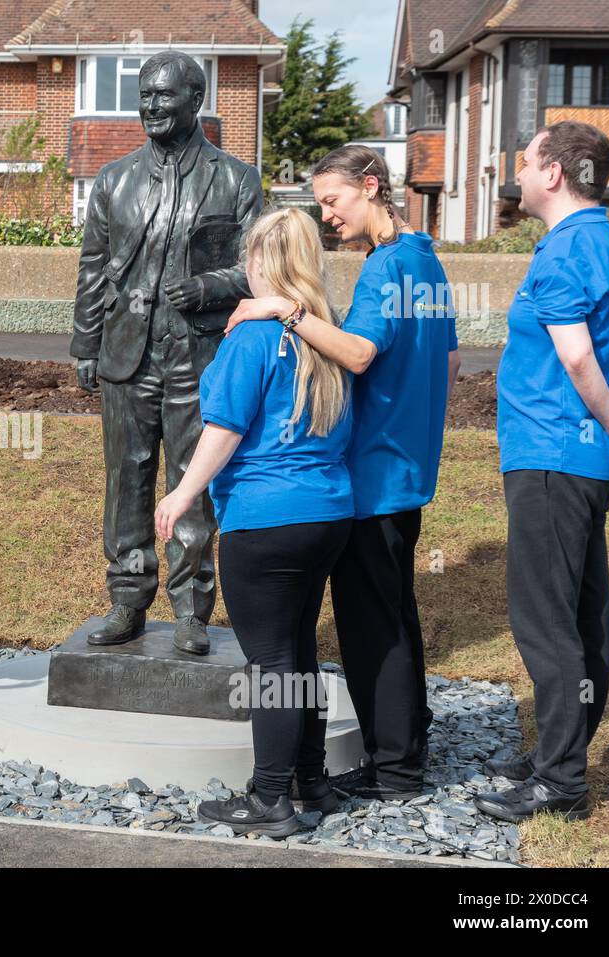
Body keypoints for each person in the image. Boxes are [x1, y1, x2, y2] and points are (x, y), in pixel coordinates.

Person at [226, 146, 460, 802]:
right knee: (397, 618)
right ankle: (406, 752)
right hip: (408, 473)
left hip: (373, 478)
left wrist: (288, 312)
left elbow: (357, 353)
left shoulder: (388, 269)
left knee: (371, 630)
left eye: (333, 200)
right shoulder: (426, 261)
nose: (326, 215)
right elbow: (450, 359)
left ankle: (395, 771)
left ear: (371, 186)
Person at [155, 207, 354, 836]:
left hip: (264, 520)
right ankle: (310, 779)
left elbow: (225, 428)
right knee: (298, 655)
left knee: (270, 666)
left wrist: (182, 493)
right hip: (327, 515)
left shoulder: (252, 338)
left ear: (260, 263)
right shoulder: (326, 336)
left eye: (247, 259)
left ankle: (270, 799)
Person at [71, 51, 263, 655]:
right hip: (128, 355)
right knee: (126, 479)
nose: (150, 106)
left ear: (195, 99)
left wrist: (209, 287)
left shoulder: (235, 179)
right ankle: (127, 598)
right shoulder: (113, 179)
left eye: (164, 96)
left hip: (200, 358)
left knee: (192, 482)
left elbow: (262, 269)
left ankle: (191, 609)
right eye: (144, 95)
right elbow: (94, 269)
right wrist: (84, 344)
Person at [474, 121, 609, 823]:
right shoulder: (606, 242)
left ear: (555, 173)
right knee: (580, 612)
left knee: (545, 619)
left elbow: (577, 357)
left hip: (554, 454)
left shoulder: (565, 252)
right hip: (583, 459)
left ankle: (562, 778)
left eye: (526, 159)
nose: (517, 170)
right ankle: (555, 756)